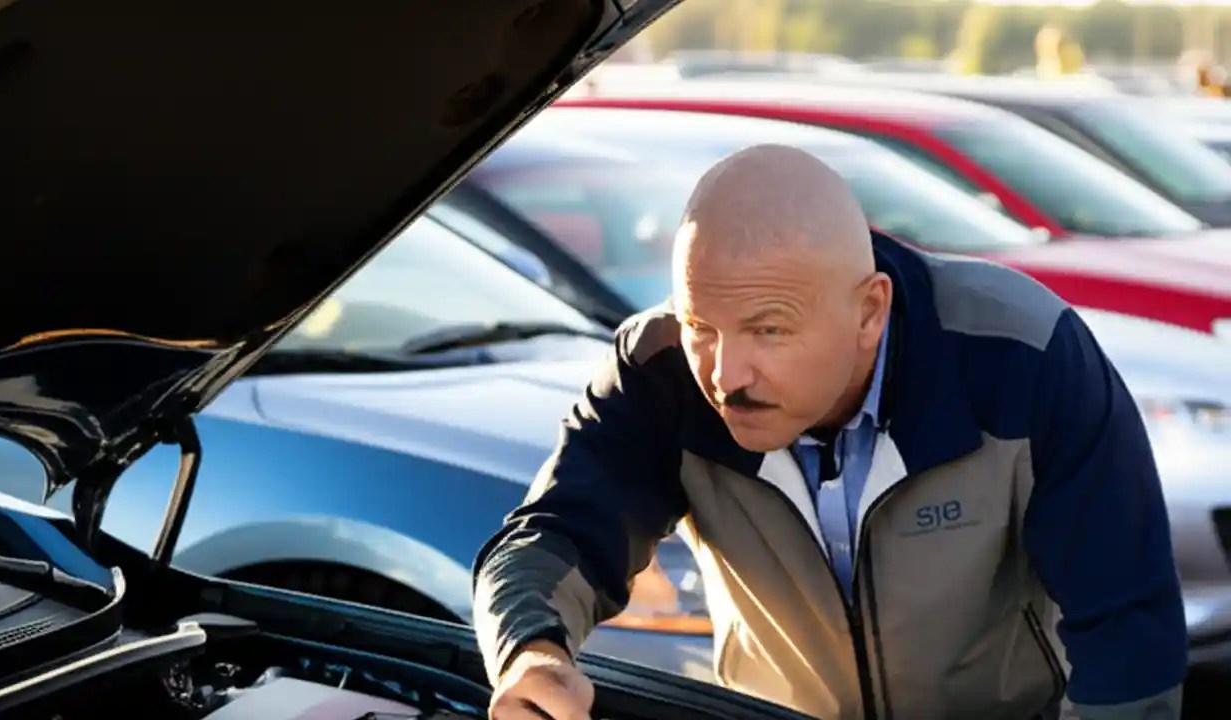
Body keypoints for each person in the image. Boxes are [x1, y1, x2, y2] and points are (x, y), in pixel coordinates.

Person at [472, 144, 1187, 720]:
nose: (725, 373)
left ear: (870, 312)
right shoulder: (657, 372)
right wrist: (531, 653)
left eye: (769, 330)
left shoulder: (1025, 355)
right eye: (701, 326)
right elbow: (551, 537)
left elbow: (1126, 630)